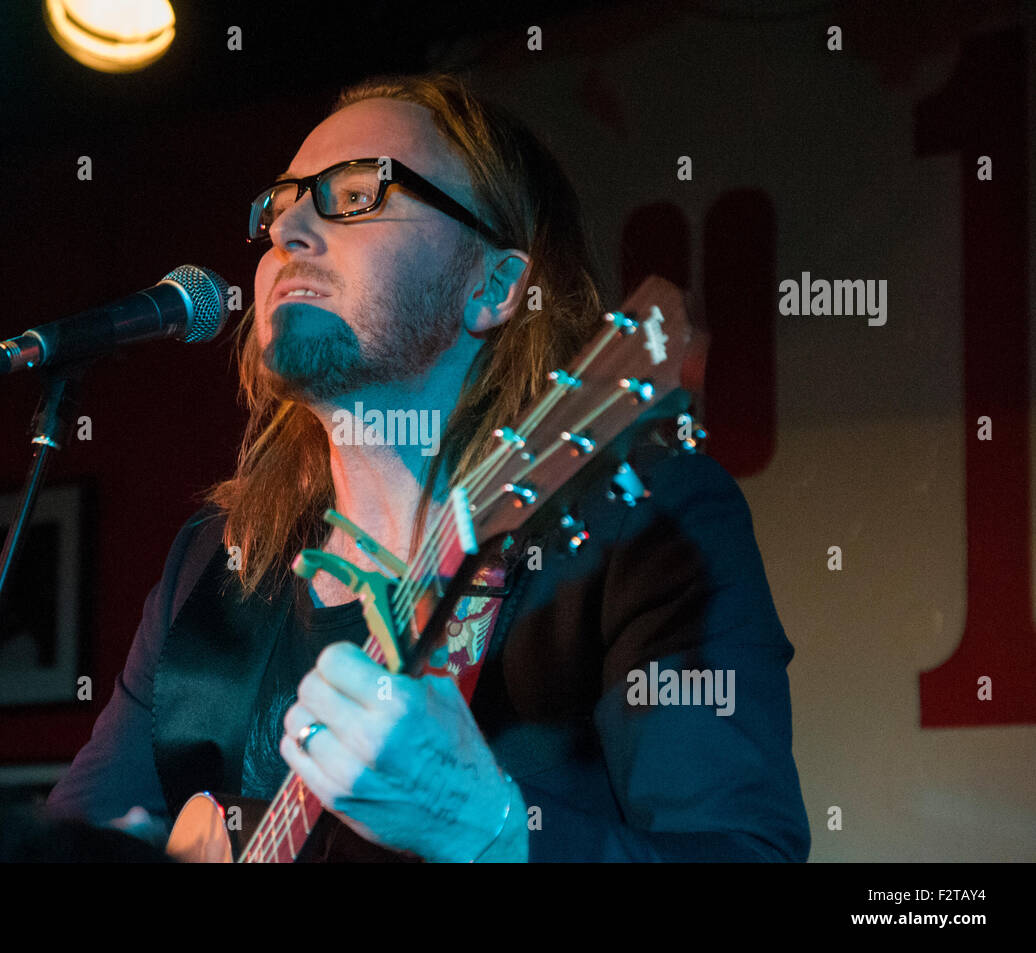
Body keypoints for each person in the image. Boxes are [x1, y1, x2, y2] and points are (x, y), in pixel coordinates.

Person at [45, 73, 810, 862]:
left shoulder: (641, 523)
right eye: (280, 205)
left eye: (356, 192)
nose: (290, 230)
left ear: (494, 284)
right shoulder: (215, 562)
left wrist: (488, 831)